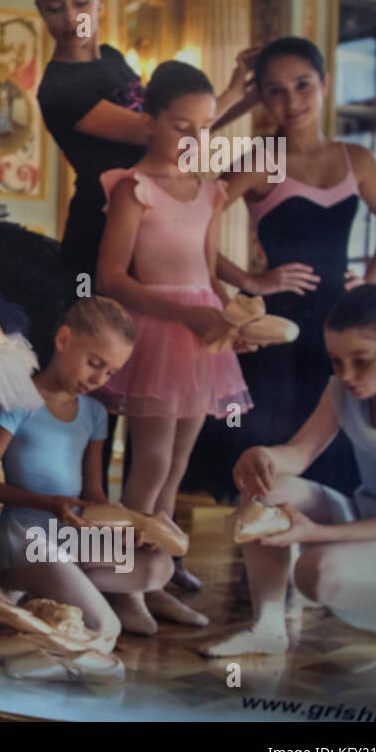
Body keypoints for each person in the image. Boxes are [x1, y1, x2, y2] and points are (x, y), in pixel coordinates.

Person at [186, 37, 376, 501]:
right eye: (276, 91)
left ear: (325, 85)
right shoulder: (261, 160)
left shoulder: (356, 159)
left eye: (302, 85)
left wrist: (370, 279)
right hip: (279, 323)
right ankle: (263, 544)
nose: (291, 101)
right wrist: (247, 280)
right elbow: (194, 220)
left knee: (333, 427)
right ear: (263, 98)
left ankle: (320, 541)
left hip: (341, 317)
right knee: (270, 436)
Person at [201, 280, 376, 667]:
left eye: (361, 360)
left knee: (317, 574)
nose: (346, 374)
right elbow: (300, 452)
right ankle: (268, 627)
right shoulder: (341, 390)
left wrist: (315, 533)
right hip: (365, 515)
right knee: (267, 487)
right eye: (336, 361)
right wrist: (264, 454)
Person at [96, 61, 251, 633]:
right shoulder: (132, 188)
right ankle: (124, 586)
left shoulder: (208, 192)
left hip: (202, 340)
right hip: (157, 334)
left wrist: (233, 323)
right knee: (153, 460)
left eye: (205, 127)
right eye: (182, 125)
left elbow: (210, 279)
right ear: (151, 123)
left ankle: (154, 581)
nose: (195, 139)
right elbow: (111, 278)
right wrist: (186, 312)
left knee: (178, 465)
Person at [34, 0, 252, 286]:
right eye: (54, 8)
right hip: (102, 223)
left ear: (100, 0)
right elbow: (152, 132)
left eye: (81, 2)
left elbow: (183, 130)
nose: (70, 17)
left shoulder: (112, 58)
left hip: (152, 215)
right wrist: (234, 94)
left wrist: (251, 94)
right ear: (42, 13)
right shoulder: (59, 88)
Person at [0, 296, 171, 647]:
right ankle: (26, 585)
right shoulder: (18, 399)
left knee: (159, 566)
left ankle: (47, 591)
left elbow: (94, 493)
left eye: (110, 372)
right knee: (105, 627)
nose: (99, 379)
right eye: (95, 363)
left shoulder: (94, 412)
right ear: (63, 341)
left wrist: (126, 528)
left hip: (71, 536)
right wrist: (50, 504)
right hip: (26, 538)